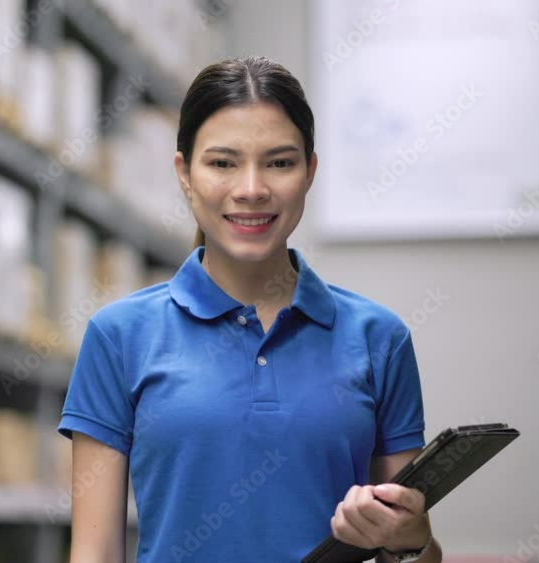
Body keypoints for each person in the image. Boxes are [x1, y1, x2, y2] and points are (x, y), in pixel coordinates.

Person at [57, 56, 442, 563]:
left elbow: (416, 552)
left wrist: (409, 540)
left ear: (310, 172)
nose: (252, 189)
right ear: (184, 174)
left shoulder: (379, 338)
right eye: (222, 163)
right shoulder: (119, 336)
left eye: (280, 162)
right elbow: (94, 554)